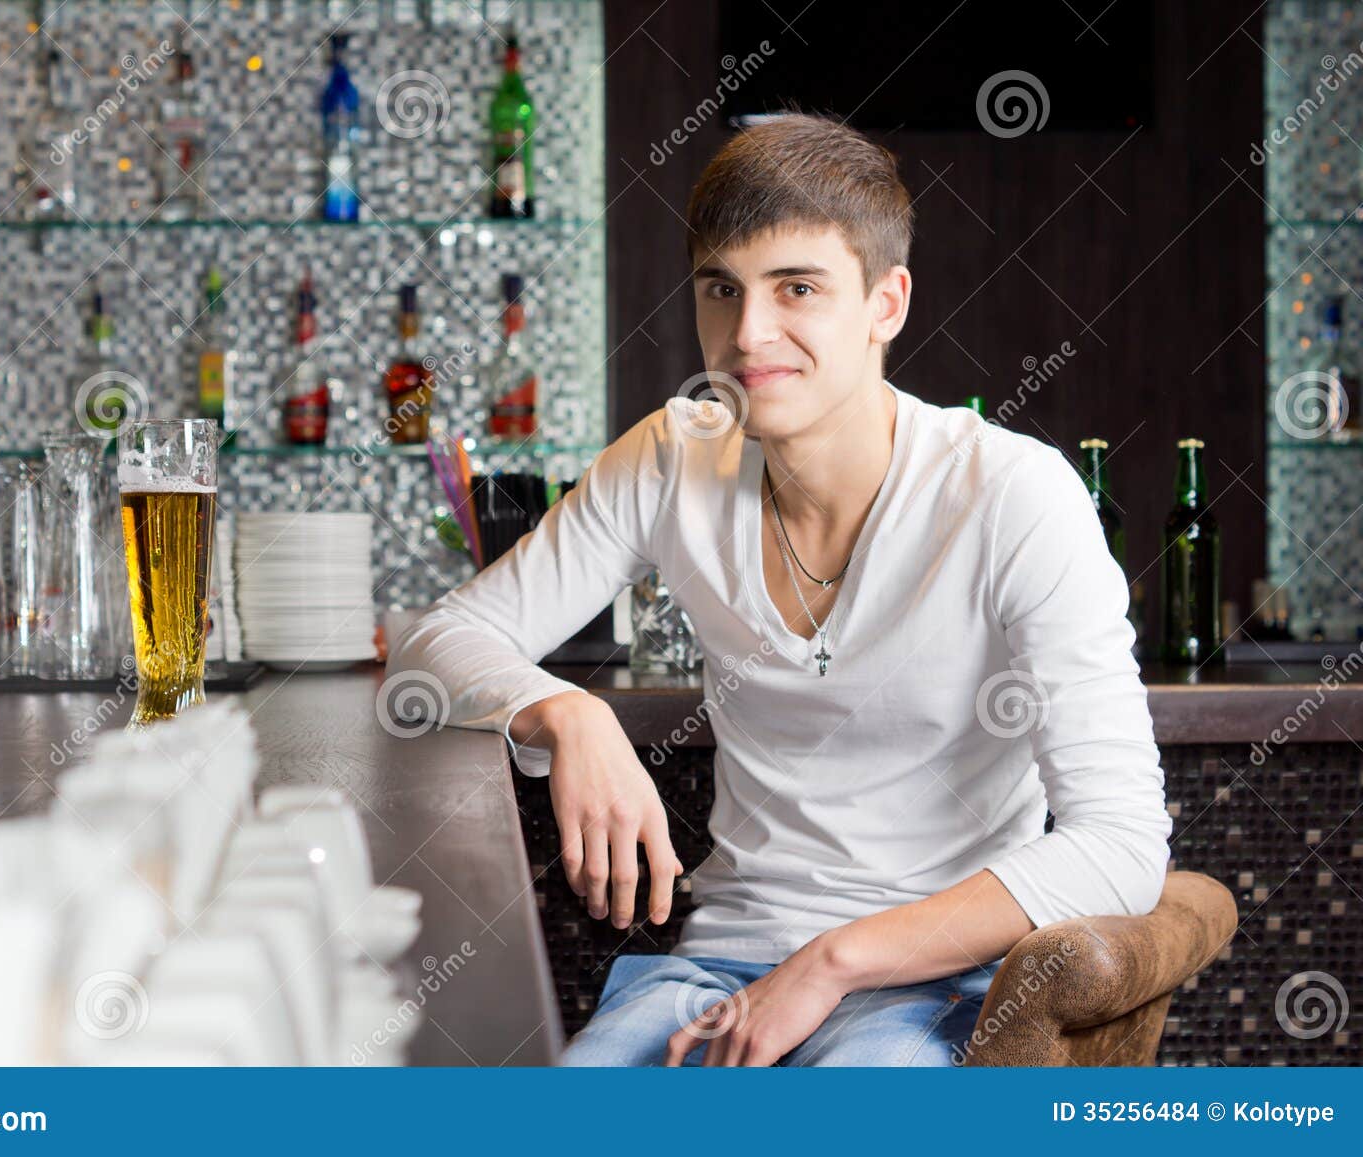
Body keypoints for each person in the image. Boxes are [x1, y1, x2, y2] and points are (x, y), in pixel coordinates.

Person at [387, 112, 1171, 1067]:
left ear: (887, 303)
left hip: (933, 986)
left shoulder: (1012, 493)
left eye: (798, 287)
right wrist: (563, 712)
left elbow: (1124, 845)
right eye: (723, 288)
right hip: (719, 969)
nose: (748, 336)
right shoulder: (678, 453)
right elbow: (434, 645)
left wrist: (833, 963)